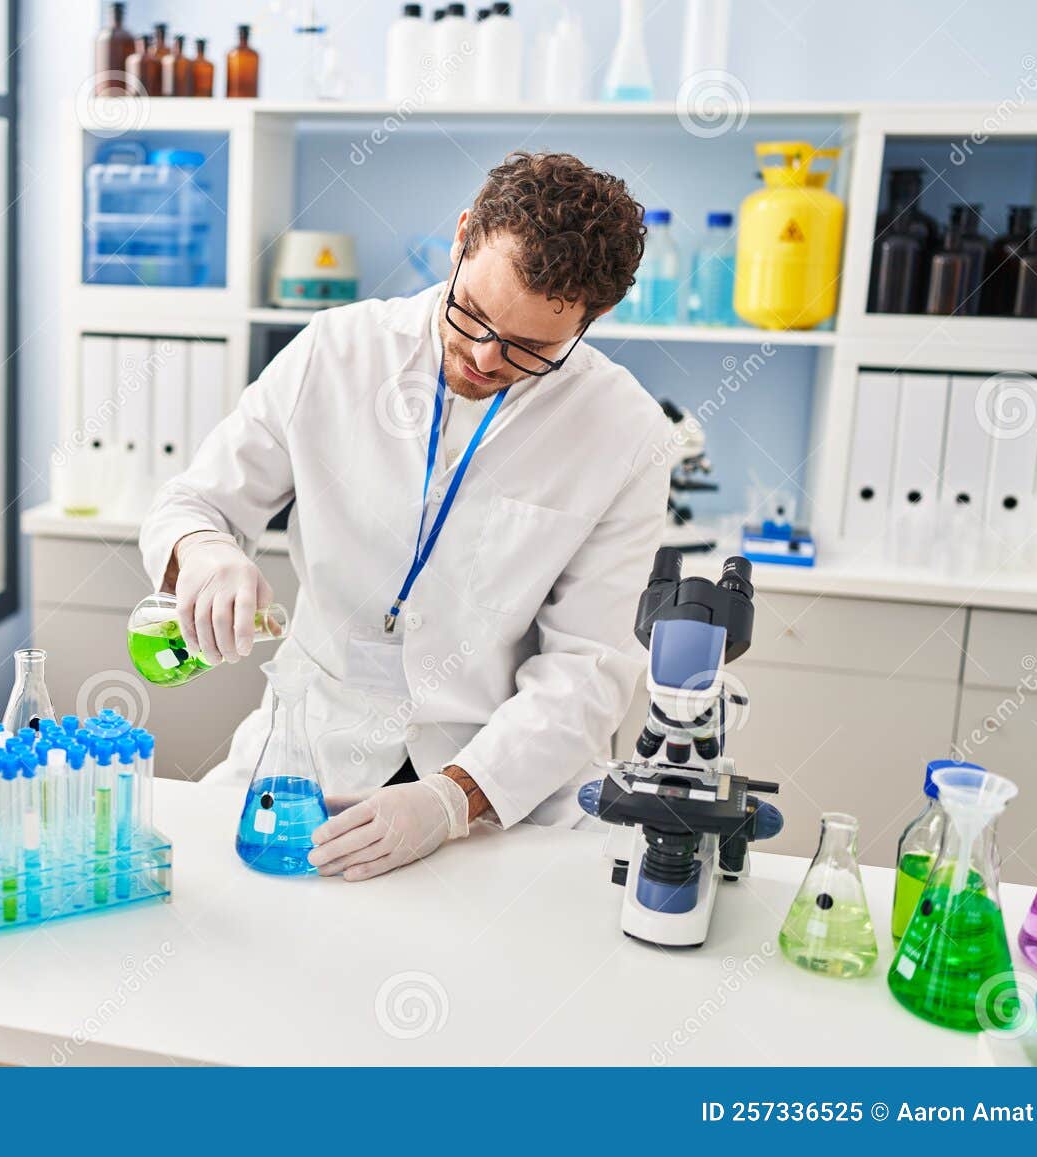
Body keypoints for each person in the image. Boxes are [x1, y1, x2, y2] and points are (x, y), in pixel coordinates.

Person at [139, 151, 671, 881]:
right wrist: (204, 551)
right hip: (309, 755)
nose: (485, 356)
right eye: (473, 313)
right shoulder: (336, 350)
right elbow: (191, 503)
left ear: (593, 317)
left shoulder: (626, 432)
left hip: (494, 785)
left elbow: (589, 669)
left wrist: (453, 801)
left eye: (530, 348)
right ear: (461, 238)